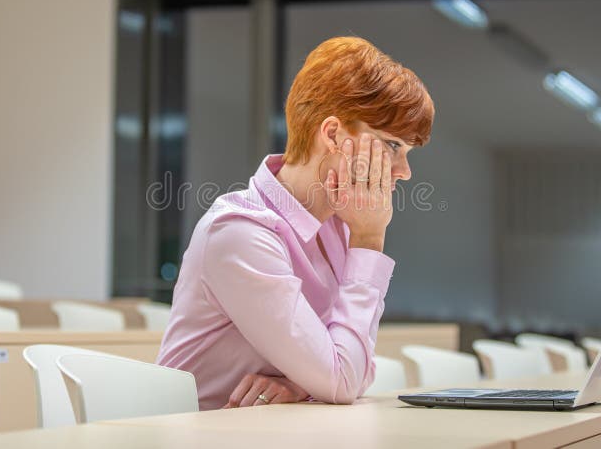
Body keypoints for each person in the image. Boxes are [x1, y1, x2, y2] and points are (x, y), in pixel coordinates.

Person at [156, 36, 435, 410]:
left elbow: (357, 368)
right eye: (391, 146)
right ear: (333, 134)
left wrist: (298, 385)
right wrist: (369, 240)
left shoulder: (339, 227)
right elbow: (343, 380)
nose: (404, 172)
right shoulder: (239, 233)